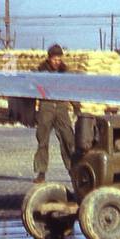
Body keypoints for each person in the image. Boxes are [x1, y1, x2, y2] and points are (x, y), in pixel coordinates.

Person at [33, 44, 78, 183]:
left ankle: (73, 171)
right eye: (54, 59)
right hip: (46, 106)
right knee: (42, 140)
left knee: (68, 139)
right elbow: (33, 90)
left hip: (61, 107)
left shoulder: (65, 72)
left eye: (59, 59)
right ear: (49, 58)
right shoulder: (41, 71)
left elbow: (70, 89)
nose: (57, 62)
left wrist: (76, 107)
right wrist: (32, 110)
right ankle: (41, 173)